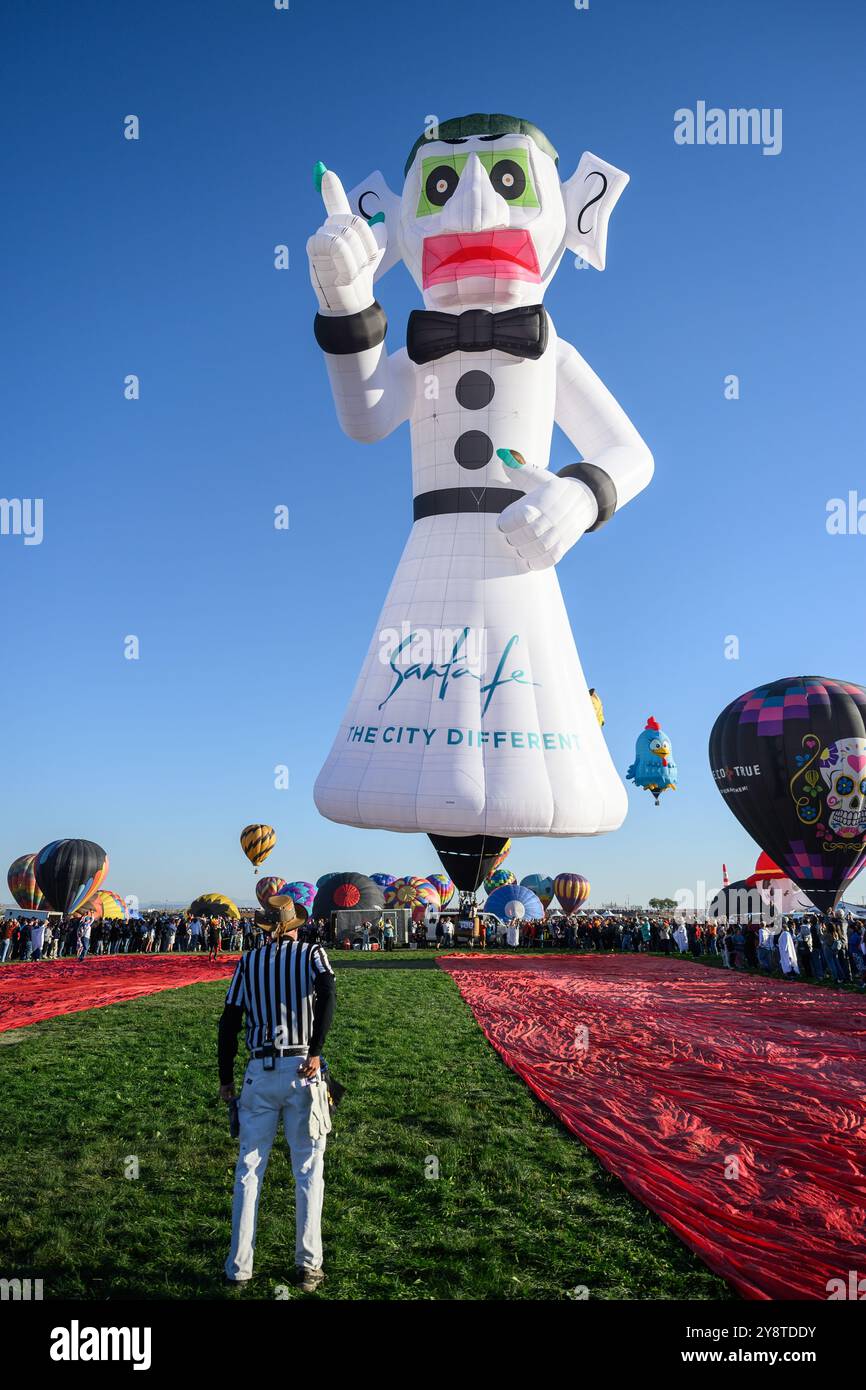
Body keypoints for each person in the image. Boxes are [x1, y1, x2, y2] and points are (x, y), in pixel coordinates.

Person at [218, 894, 336, 1292]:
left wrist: (225, 1078)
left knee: (248, 1170)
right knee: (307, 1170)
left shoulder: (248, 963)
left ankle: (239, 1266)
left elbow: (229, 1021)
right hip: (302, 1066)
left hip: (258, 1070)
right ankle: (308, 1264)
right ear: (294, 924)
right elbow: (329, 993)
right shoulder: (311, 954)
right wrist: (317, 1050)